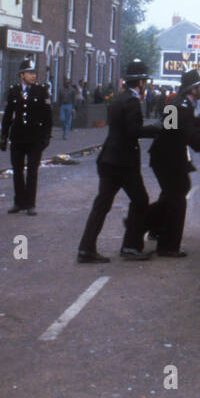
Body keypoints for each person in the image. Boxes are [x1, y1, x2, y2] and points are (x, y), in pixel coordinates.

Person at [77, 58, 161, 262]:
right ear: (140, 82)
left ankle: (86, 249)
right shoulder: (132, 101)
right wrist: (156, 128)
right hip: (124, 162)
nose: (145, 85)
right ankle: (131, 246)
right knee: (140, 201)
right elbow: (134, 131)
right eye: (145, 82)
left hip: (108, 159)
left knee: (102, 205)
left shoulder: (118, 99)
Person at [146, 68, 200, 257]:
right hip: (167, 158)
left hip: (168, 157)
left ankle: (148, 224)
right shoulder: (179, 105)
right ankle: (167, 246)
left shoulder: (180, 103)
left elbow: (182, 127)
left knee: (173, 194)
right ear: (192, 89)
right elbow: (188, 136)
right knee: (177, 198)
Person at [0, 58, 52, 215]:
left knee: (32, 171)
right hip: (17, 137)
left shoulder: (41, 91)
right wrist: (3, 136)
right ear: (21, 75)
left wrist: (46, 137)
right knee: (17, 170)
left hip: (35, 138)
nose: (33, 75)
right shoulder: (14, 91)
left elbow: (48, 117)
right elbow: (8, 115)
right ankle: (19, 202)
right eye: (29, 73)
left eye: (34, 73)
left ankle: (30, 204)